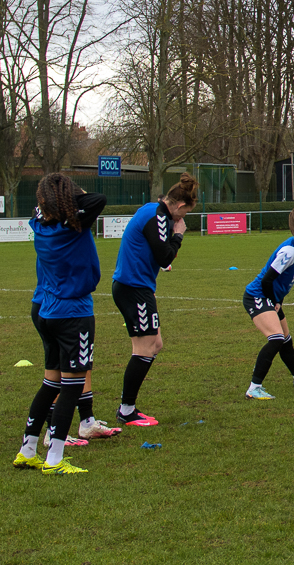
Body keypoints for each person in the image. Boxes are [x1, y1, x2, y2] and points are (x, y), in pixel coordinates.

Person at [14, 174, 112, 475]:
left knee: (50, 384)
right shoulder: (72, 225)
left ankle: (27, 450)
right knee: (71, 387)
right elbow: (98, 199)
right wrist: (74, 193)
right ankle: (55, 459)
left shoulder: (40, 223)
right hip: (73, 312)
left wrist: (57, 199)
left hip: (47, 310)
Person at [110, 173, 198, 427]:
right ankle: (127, 410)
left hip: (137, 287)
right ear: (179, 206)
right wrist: (178, 235)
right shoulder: (158, 216)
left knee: (154, 344)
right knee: (146, 347)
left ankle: (128, 408)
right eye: (184, 214)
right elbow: (165, 258)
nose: (182, 220)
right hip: (133, 288)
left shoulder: (152, 210)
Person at [243, 206, 294, 400]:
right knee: (276, 338)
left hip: (272, 297)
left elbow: (282, 282)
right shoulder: (290, 251)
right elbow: (266, 280)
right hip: (257, 296)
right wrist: (274, 301)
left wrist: (278, 301)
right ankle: (254, 388)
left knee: (286, 340)